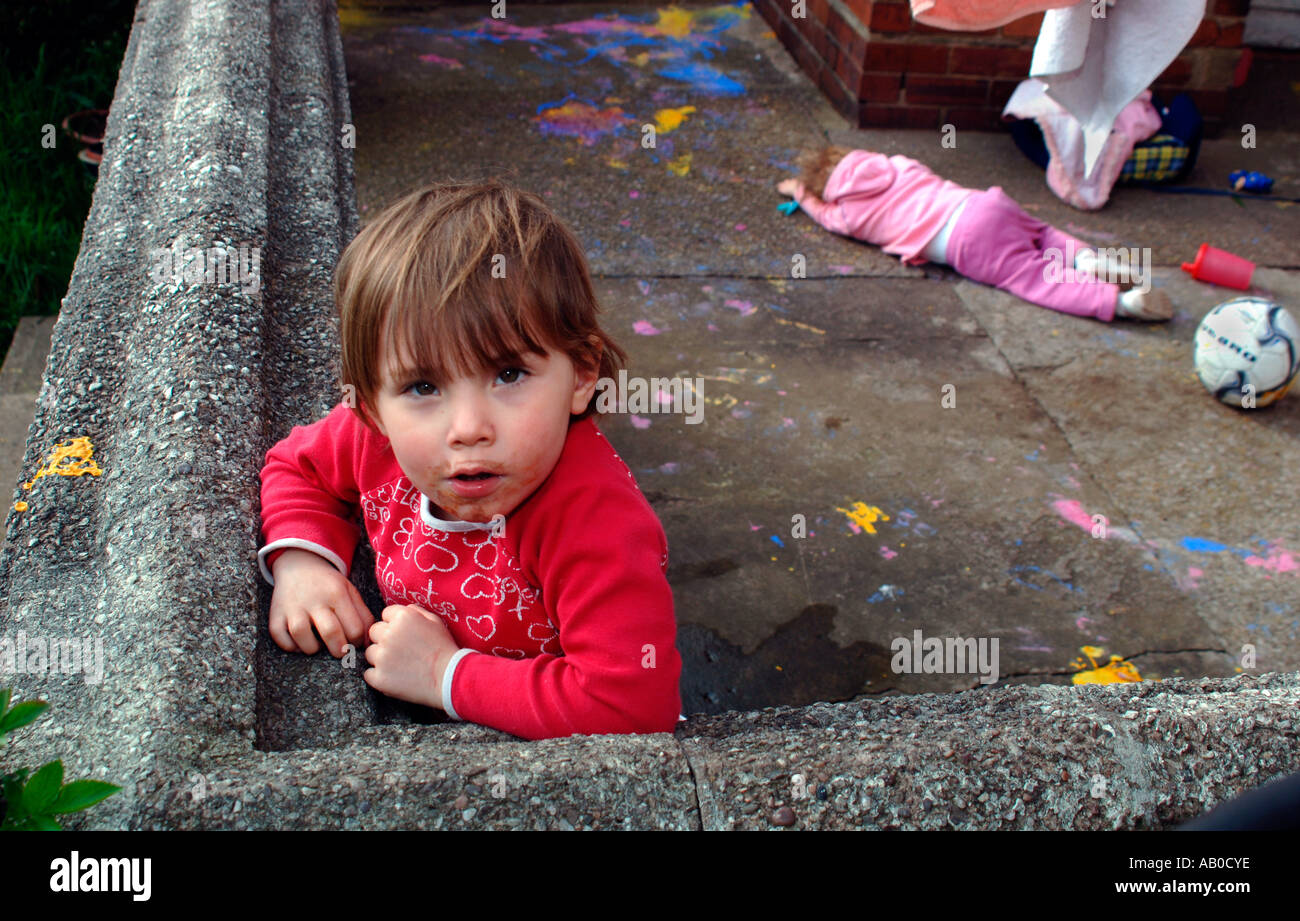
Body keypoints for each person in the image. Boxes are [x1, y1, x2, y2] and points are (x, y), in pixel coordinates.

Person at [257, 180, 683, 741]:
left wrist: (444, 674)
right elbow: (295, 467)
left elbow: (632, 705)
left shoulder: (595, 522)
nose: (468, 429)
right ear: (370, 407)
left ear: (581, 374)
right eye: (422, 386)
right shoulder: (374, 437)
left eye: (509, 374)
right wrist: (302, 564)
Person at [777, 145, 1173, 323]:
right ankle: (1087, 259)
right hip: (985, 204)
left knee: (1032, 276)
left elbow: (823, 215)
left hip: (961, 240)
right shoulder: (897, 164)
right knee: (1044, 235)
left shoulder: (847, 212)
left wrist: (799, 191)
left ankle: (1121, 304)